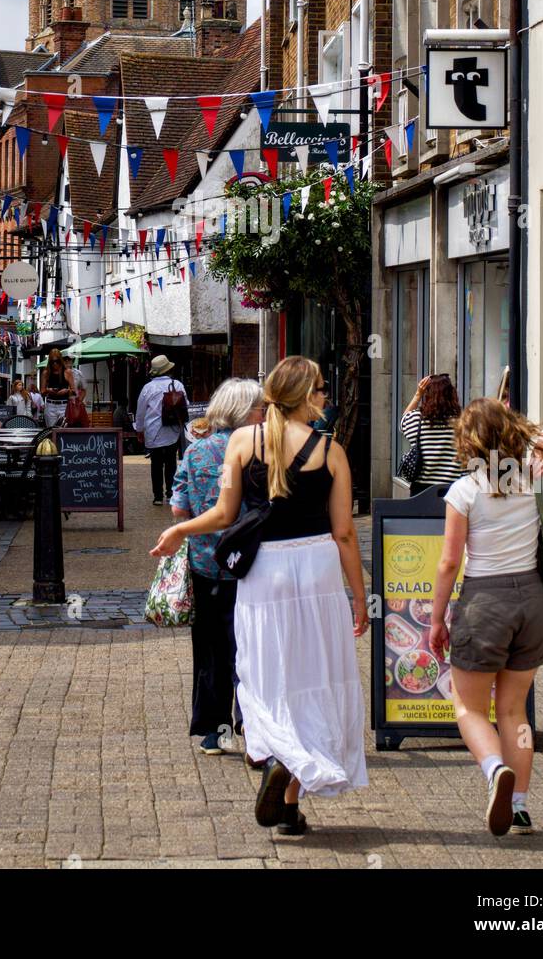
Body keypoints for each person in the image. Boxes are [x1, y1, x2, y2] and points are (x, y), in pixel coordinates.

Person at [152, 356, 369, 838]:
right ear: (304, 397)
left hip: (264, 571)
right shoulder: (330, 451)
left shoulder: (241, 442)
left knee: (265, 673)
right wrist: (360, 596)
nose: (327, 398)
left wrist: (179, 530)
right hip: (316, 570)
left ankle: (279, 765)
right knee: (316, 676)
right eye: (321, 390)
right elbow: (346, 534)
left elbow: (224, 514)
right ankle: (290, 783)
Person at [429, 399, 543, 838]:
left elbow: (449, 562)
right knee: (515, 712)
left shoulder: (464, 490)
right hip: (532, 602)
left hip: (484, 602)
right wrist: (527, 437)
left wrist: (436, 620)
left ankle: (494, 772)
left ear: (466, 441)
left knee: (469, 707)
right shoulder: (531, 476)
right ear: (512, 431)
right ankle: (522, 806)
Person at [170, 379, 265, 757]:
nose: (265, 414)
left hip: (206, 563)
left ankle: (215, 731)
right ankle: (253, 726)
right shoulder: (261, 452)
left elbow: (179, 508)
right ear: (246, 412)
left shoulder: (196, 453)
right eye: (260, 409)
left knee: (211, 649)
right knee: (250, 646)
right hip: (253, 563)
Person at [134, 356, 188, 506]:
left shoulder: (147, 388)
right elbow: (186, 405)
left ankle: (157, 496)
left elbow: (140, 412)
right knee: (171, 462)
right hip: (172, 430)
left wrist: (139, 430)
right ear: (168, 369)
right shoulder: (177, 385)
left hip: (153, 431)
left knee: (156, 464)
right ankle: (170, 494)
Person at [400, 373, 464, 495]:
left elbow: (403, 422)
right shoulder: (462, 421)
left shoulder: (416, 419)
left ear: (427, 395)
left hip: (421, 492)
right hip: (453, 490)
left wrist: (418, 394)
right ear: (452, 395)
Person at [40, 349, 77, 428]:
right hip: (50, 405)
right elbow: (42, 391)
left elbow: (74, 391)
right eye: (52, 362)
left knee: (63, 431)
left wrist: (66, 391)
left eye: (57, 361)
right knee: (51, 431)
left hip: (63, 405)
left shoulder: (67, 372)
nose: (55, 364)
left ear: (60, 360)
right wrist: (48, 390)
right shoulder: (46, 373)